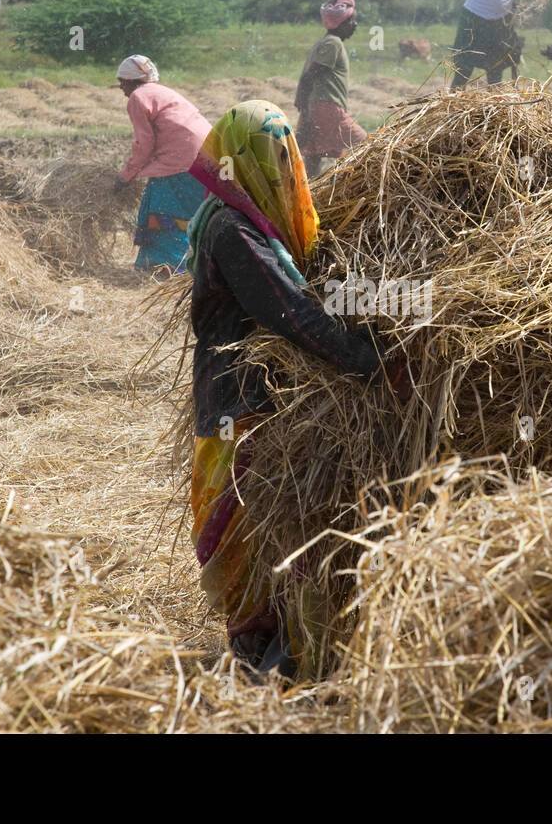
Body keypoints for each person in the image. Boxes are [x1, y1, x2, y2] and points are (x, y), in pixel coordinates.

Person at [183, 100, 409, 679]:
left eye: (289, 151)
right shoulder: (235, 233)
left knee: (271, 530)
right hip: (241, 403)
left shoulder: (232, 211)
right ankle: (269, 660)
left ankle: (273, 651)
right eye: (271, 153)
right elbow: (291, 311)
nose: (285, 165)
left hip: (244, 396)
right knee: (261, 530)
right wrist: (369, 359)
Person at [114, 55, 212, 271]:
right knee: (196, 211)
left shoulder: (138, 97)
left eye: (123, 83)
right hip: (207, 155)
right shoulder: (162, 91)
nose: (122, 89)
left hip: (181, 160)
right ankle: (196, 263)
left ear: (133, 81)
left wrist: (124, 177)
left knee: (162, 209)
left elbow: (144, 144)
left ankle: (167, 265)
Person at [295, 0, 367, 176]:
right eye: (351, 20)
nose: (355, 24)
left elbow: (308, 78)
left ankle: (310, 193)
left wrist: (305, 110)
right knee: (368, 143)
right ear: (341, 23)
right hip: (327, 108)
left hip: (317, 106)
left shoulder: (325, 42)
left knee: (313, 155)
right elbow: (310, 76)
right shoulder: (332, 43)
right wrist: (305, 109)